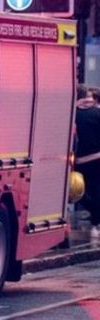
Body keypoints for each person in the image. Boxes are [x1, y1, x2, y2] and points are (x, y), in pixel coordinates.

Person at [74, 84, 100, 242]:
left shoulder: (73, 114)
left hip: (78, 161)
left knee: (79, 192)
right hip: (97, 158)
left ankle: (96, 215)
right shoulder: (97, 113)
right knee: (96, 190)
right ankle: (96, 220)